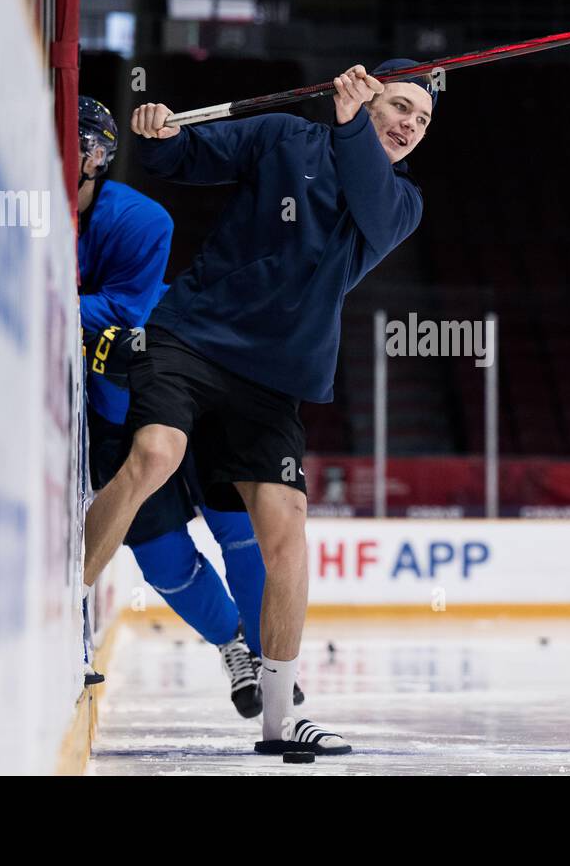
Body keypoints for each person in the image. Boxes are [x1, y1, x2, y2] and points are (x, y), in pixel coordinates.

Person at [81, 60, 436, 755]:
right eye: (398, 106)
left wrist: (349, 127)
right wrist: (156, 129)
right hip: (192, 337)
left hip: (273, 380)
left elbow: (362, 185)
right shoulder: (281, 137)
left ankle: (280, 717)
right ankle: (62, 622)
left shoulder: (399, 201)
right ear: (364, 97)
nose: (408, 126)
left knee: (286, 527)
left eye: (421, 121)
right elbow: (182, 155)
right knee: (156, 454)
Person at [76, 96, 297, 717]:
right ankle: (233, 647)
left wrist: (55, 302)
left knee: (239, 531)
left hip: (179, 385)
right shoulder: (22, 216)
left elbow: (123, 310)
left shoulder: (140, 219)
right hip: (110, 412)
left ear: (96, 159)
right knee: (165, 561)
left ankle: (265, 653)